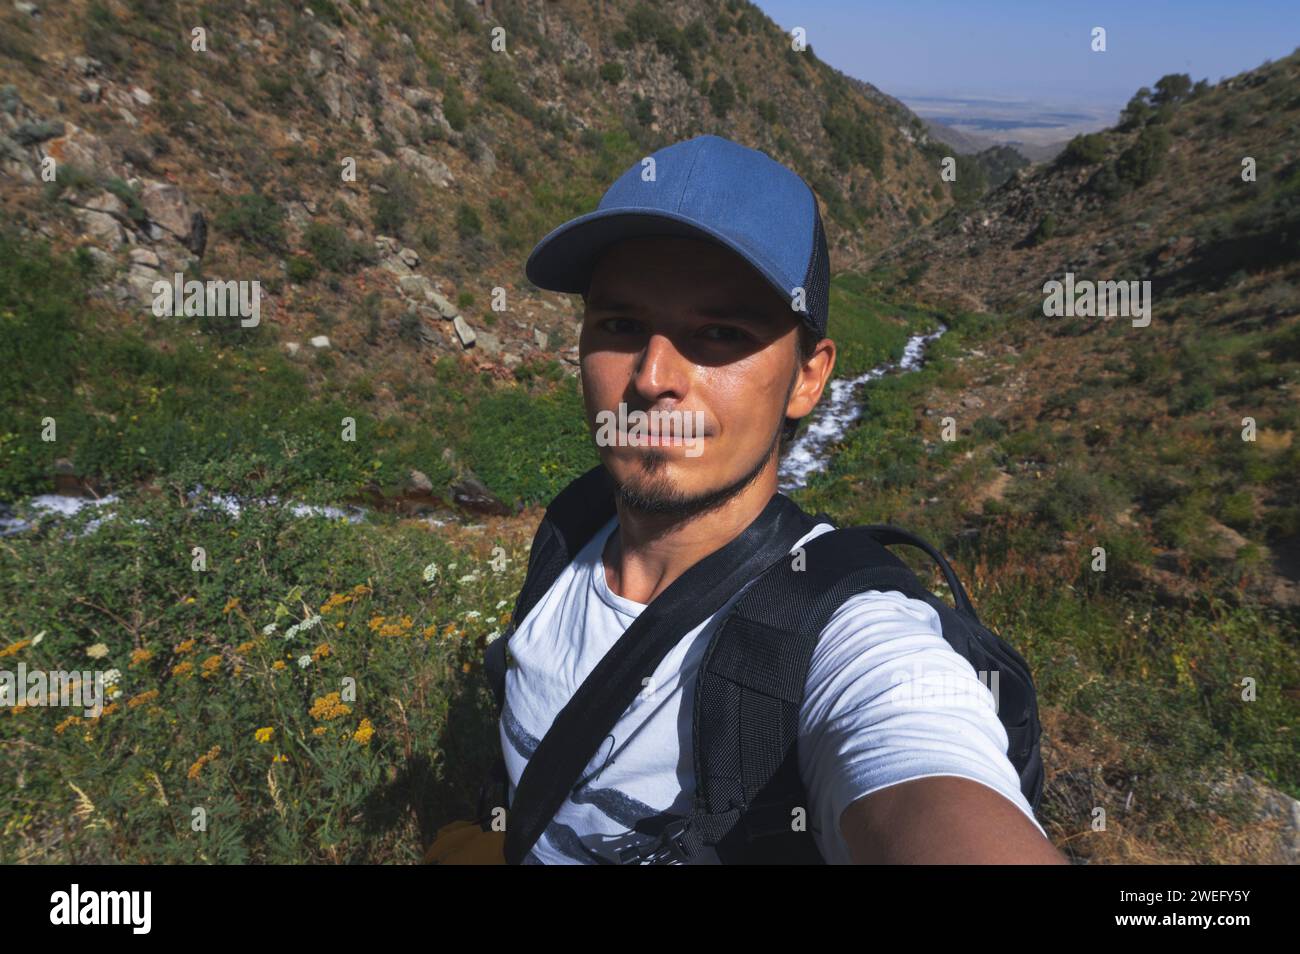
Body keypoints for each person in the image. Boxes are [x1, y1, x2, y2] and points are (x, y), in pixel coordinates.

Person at [500, 134, 1066, 864]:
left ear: (808, 377)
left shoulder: (845, 635)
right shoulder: (570, 529)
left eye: (721, 333)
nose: (651, 378)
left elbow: (927, 773)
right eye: (621, 325)